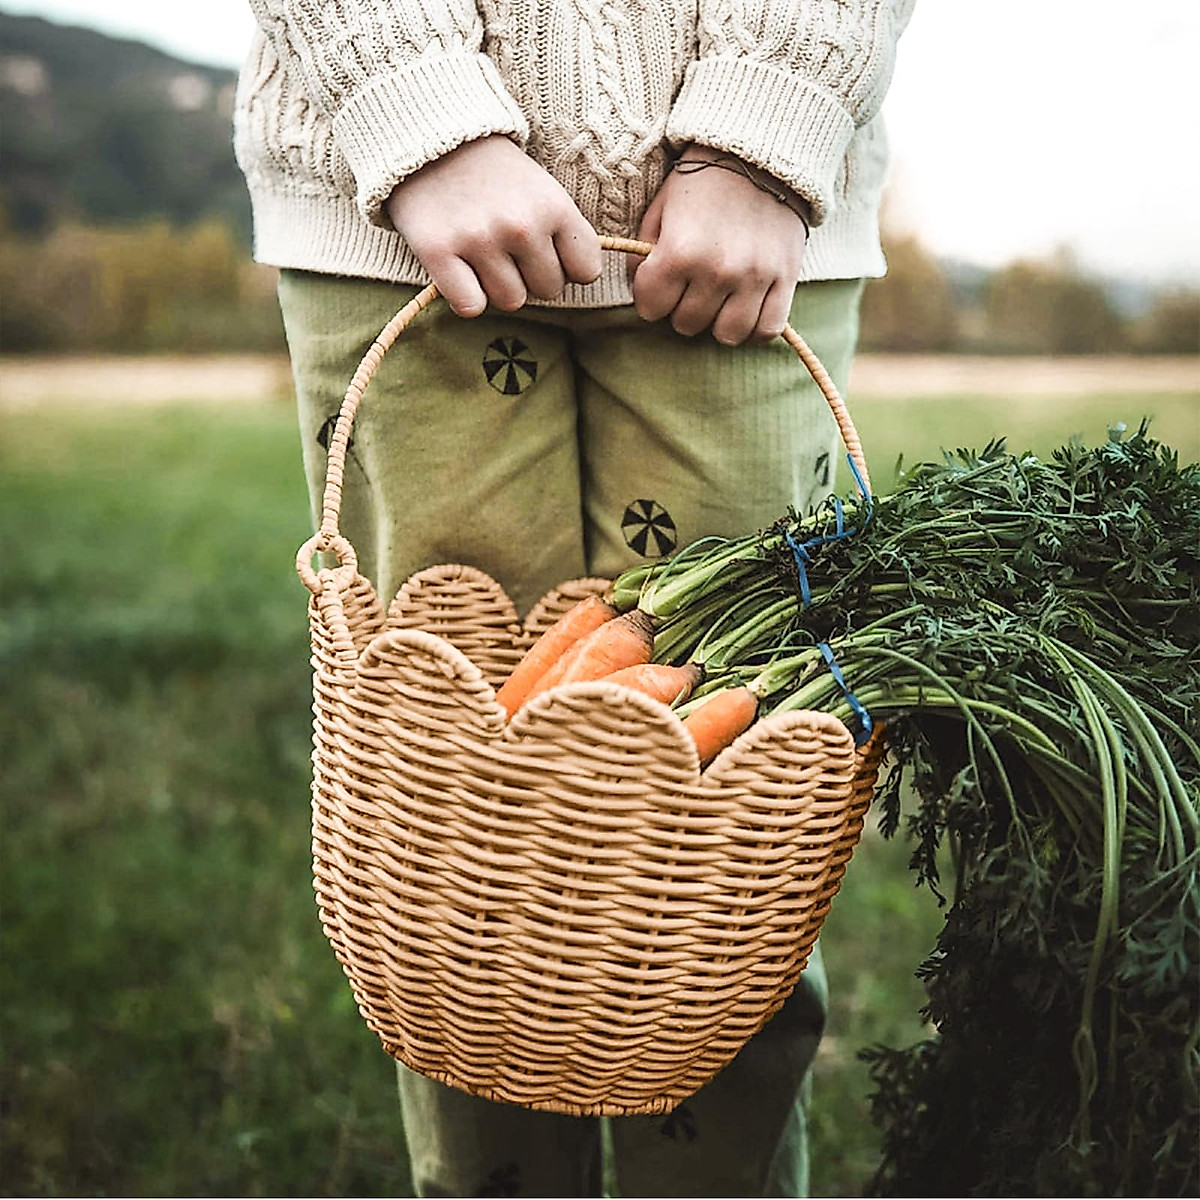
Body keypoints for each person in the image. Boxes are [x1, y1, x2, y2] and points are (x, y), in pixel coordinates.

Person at [235, 1, 913, 1194]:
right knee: (455, 845)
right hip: (387, 212)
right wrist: (419, 109)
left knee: (724, 850)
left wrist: (764, 125)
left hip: (747, 233)